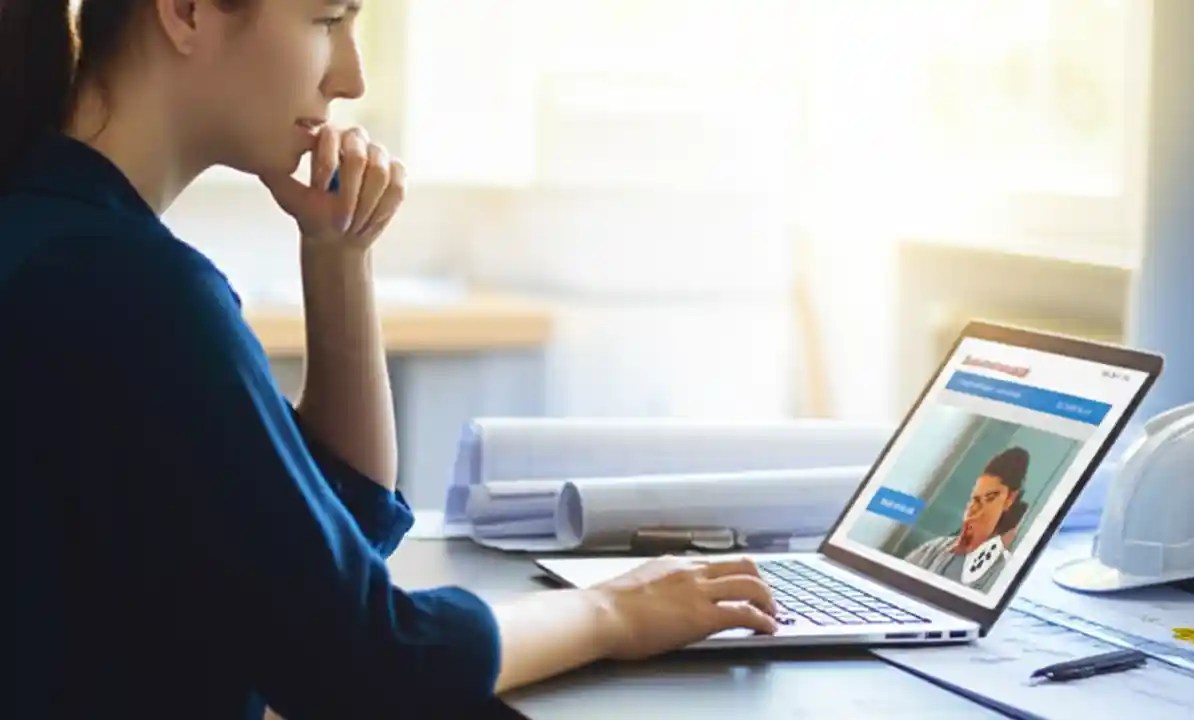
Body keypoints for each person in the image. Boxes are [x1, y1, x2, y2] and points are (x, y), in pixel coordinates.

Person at [1, 2, 779, 717]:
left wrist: (338, 257)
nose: (352, 76)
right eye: (327, 18)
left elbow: (325, 543)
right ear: (188, 11)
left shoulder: (59, 239)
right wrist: (615, 610)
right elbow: (365, 661)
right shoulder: (126, 287)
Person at [903, 447, 1030, 590]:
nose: (974, 511)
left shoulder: (1004, 572)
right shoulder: (933, 550)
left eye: (989, 499)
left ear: (1010, 499)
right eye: (974, 500)